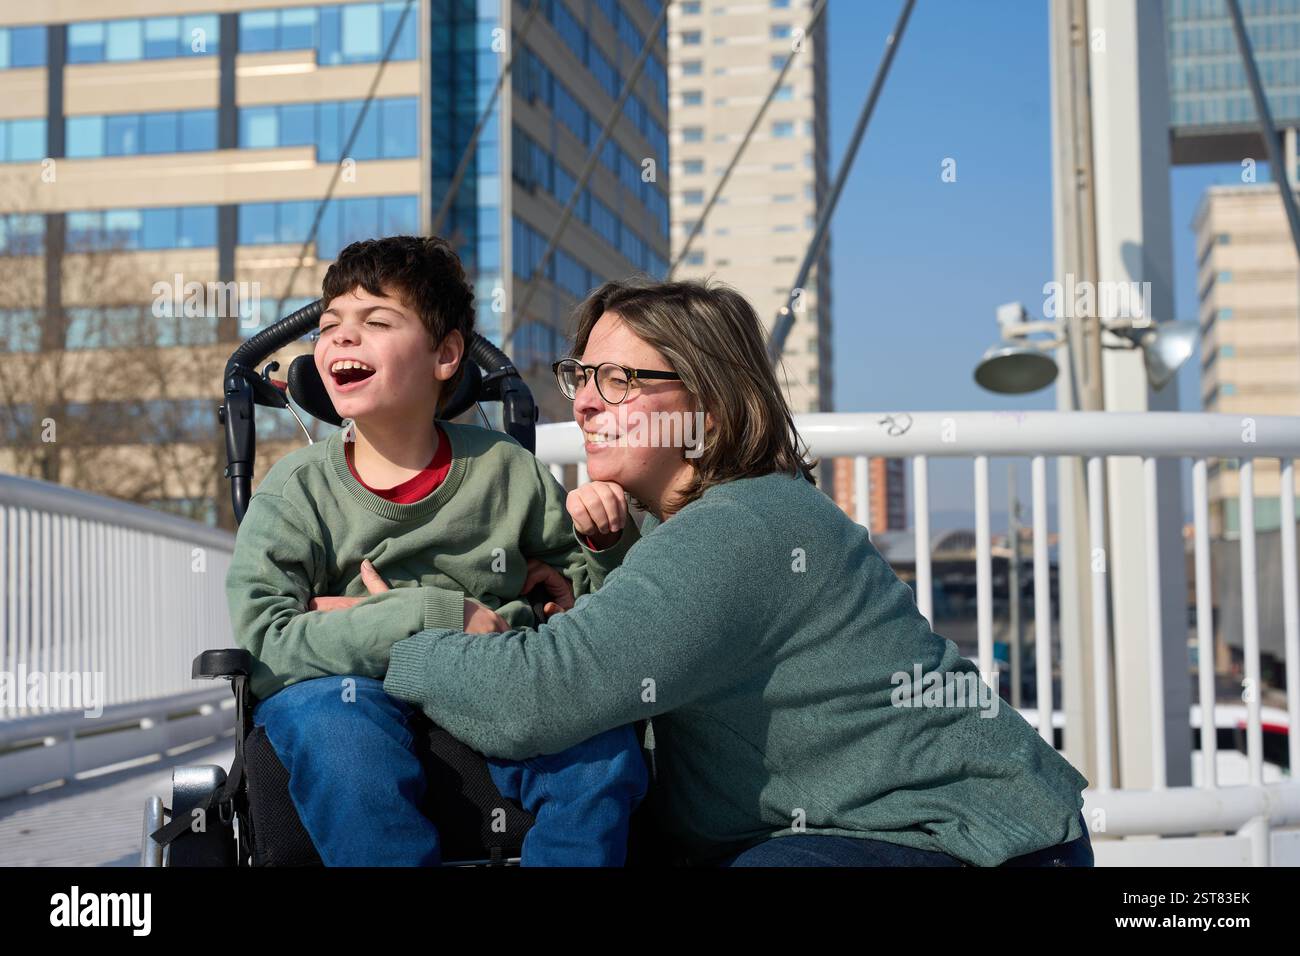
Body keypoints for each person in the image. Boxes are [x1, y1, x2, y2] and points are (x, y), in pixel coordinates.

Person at [364, 276, 1093, 867]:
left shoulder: (745, 526)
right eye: (581, 375)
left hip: (970, 841)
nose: (584, 401)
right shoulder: (704, 526)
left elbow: (542, 696)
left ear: (707, 406)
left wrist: (396, 630)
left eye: (619, 379)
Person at [224, 236, 646, 866]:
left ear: (447, 354)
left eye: (376, 321)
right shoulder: (297, 489)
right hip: (344, 691)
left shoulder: (506, 471)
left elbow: (588, 601)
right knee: (339, 740)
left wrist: (604, 545)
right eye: (330, 324)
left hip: (494, 674)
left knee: (602, 752)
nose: (340, 337)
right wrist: (437, 615)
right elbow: (266, 642)